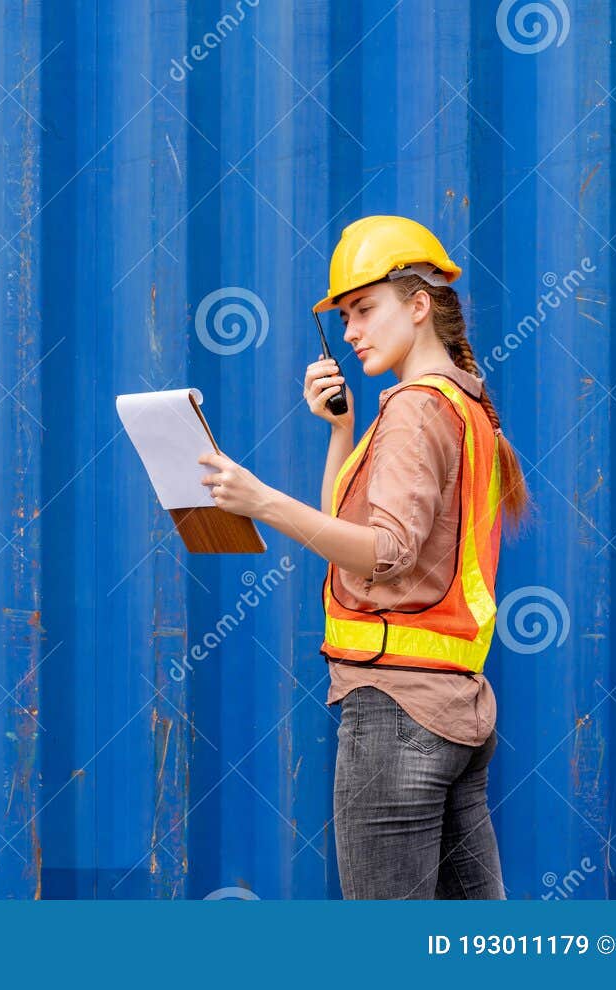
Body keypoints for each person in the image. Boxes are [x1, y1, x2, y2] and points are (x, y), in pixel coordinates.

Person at [197, 215, 529, 899]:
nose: (350, 331)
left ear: (418, 305)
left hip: (395, 710)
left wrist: (261, 501)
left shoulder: (412, 408)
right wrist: (341, 431)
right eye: (344, 316)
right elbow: (351, 541)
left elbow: (386, 552)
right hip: (456, 708)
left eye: (363, 309)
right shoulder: (464, 403)